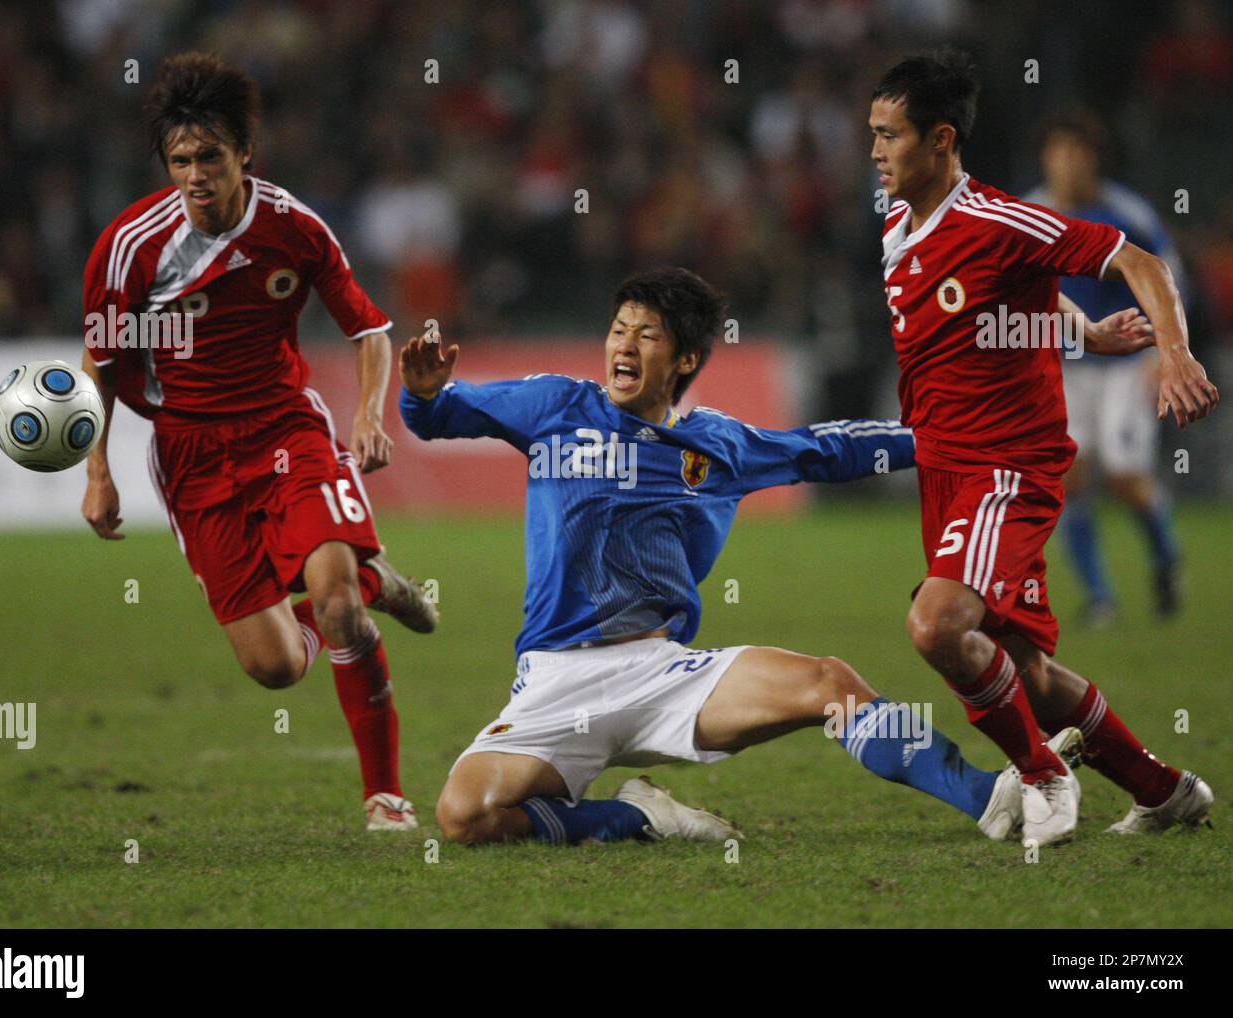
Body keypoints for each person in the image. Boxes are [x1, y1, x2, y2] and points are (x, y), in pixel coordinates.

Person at [399, 266, 1070, 847]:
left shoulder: (717, 444)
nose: (624, 346)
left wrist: (934, 441)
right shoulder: (553, 404)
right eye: (619, 329)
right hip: (554, 678)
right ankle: (636, 818)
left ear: (684, 359)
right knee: (465, 817)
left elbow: (823, 450)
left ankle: (988, 796)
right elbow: (436, 417)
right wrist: (423, 392)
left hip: (662, 671)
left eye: (647, 335)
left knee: (829, 685)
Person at [79, 53, 436, 832]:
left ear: (246, 154)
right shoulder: (129, 247)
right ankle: (383, 585)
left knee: (333, 606)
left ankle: (386, 797)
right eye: (180, 160)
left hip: (286, 430)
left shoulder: (293, 226)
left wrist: (370, 415)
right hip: (190, 454)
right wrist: (97, 468)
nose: (196, 175)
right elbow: (100, 364)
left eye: (211, 156)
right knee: (274, 667)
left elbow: (369, 328)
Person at [869, 50, 1216, 844]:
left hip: (1008, 469)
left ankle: (1041, 771)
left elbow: (1139, 260)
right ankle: (1164, 790)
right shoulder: (895, 217)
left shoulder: (997, 216)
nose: (877, 152)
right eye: (873, 134)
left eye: (890, 136)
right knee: (1019, 669)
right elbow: (1023, 291)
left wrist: (1175, 351)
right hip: (945, 470)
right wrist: (1086, 330)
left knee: (936, 626)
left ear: (942, 139)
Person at [1027, 108, 1186, 625]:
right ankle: (1100, 599)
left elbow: (1166, 281)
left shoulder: (1126, 212)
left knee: (1126, 477)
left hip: (1125, 361)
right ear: (1046, 159)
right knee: (1070, 477)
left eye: (1078, 152)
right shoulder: (1029, 213)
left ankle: (1166, 559)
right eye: (1058, 152)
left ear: (1094, 160)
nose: (1068, 163)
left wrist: (1164, 354)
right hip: (1063, 365)